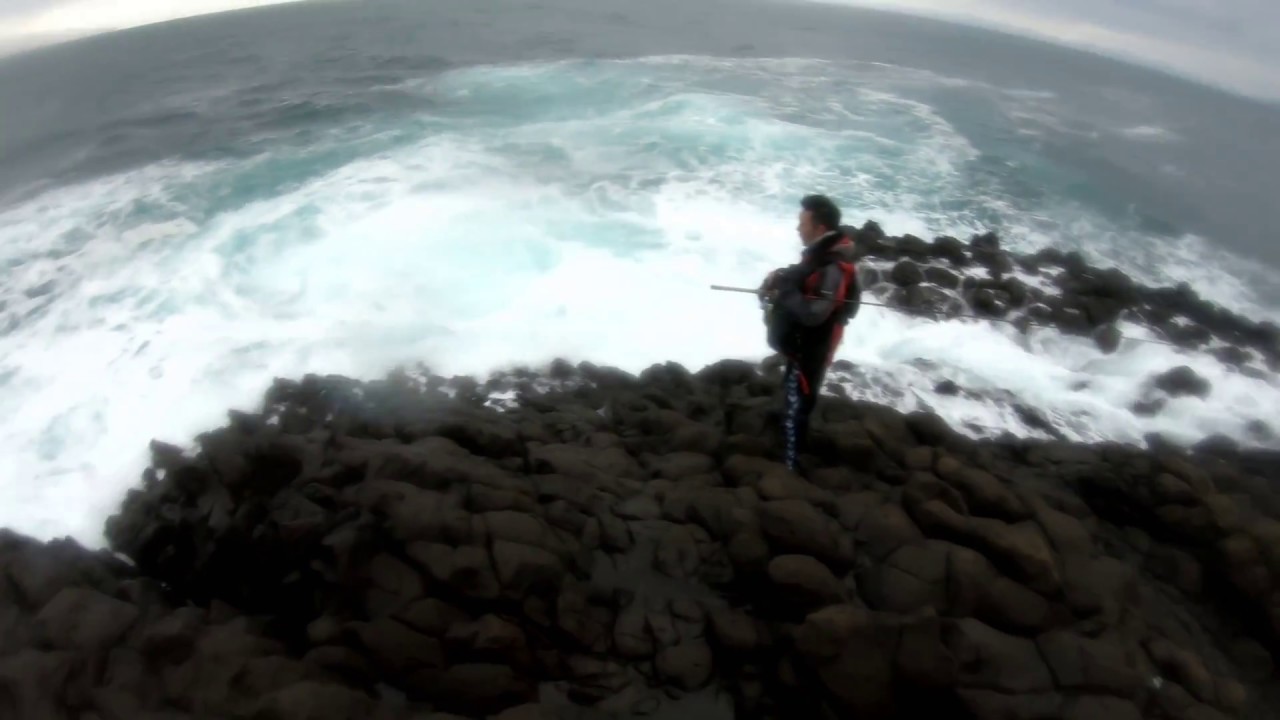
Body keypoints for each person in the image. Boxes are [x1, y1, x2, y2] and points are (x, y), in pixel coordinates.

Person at [758, 194, 861, 470]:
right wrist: (780, 276)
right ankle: (791, 444)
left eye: (802, 223)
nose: (797, 228)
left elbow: (814, 314)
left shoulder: (833, 268)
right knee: (794, 395)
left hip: (813, 346)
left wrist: (786, 292)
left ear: (820, 228)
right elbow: (803, 272)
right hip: (801, 345)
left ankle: (791, 467)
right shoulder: (820, 253)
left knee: (799, 402)